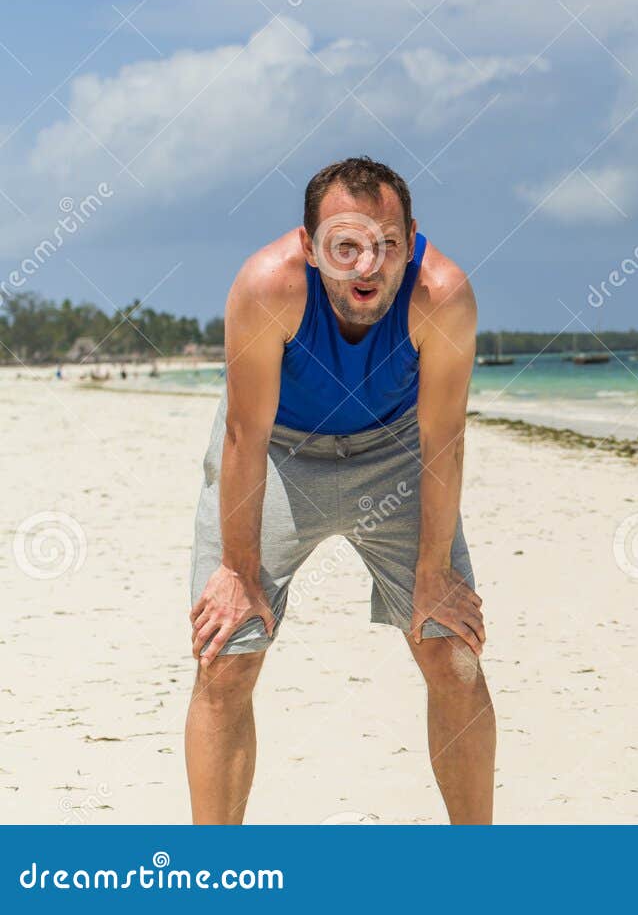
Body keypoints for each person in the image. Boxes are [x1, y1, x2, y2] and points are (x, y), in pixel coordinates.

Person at [184, 156, 493, 824]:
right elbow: (244, 434)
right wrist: (238, 572)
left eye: (386, 245)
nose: (367, 265)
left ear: (411, 240)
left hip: (397, 453)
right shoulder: (269, 286)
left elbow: (444, 441)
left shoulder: (443, 294)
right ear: (309, 246)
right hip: (280, 452)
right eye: (344, 245)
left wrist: (434, 573)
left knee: (453, 654)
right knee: (226, 656)